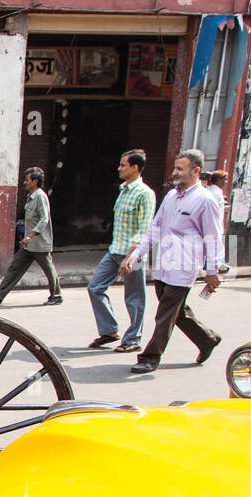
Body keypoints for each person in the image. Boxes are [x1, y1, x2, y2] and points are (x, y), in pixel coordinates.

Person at [121, 149, 224, 374]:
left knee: (165, 313)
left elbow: (214, 237)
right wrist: (135, 256)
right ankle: (208, 339)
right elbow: (154, 228)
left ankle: (150, 357)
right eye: (175, 168)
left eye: (180, 169)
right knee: (177, 312)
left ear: (196, 171)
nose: (175, 172)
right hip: (164, 266)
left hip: (184, 268)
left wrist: (212, 271)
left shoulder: (205, 201)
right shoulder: (170, 196)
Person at [86, 149, 155, 354]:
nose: (119, 168)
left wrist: (130, 257)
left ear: (134, 167)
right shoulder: (124, 190)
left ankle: (133, 338)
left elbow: (144, 229)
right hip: (115, 250)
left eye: (123, 165)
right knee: (95, 287)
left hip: (133, 255)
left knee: (134, 298)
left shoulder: (144, 193)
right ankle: (109, 330)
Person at [0, 167, 62, 306]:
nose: (24, 182)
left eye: (27, 180)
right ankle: (0, 294)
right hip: (29, 244)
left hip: (39, 243)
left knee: (49, 270)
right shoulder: (31, 196)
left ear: (35, 181)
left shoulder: (40, 196)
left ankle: (56, 296)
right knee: (15, 267)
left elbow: (44, 219)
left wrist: (30, 236)